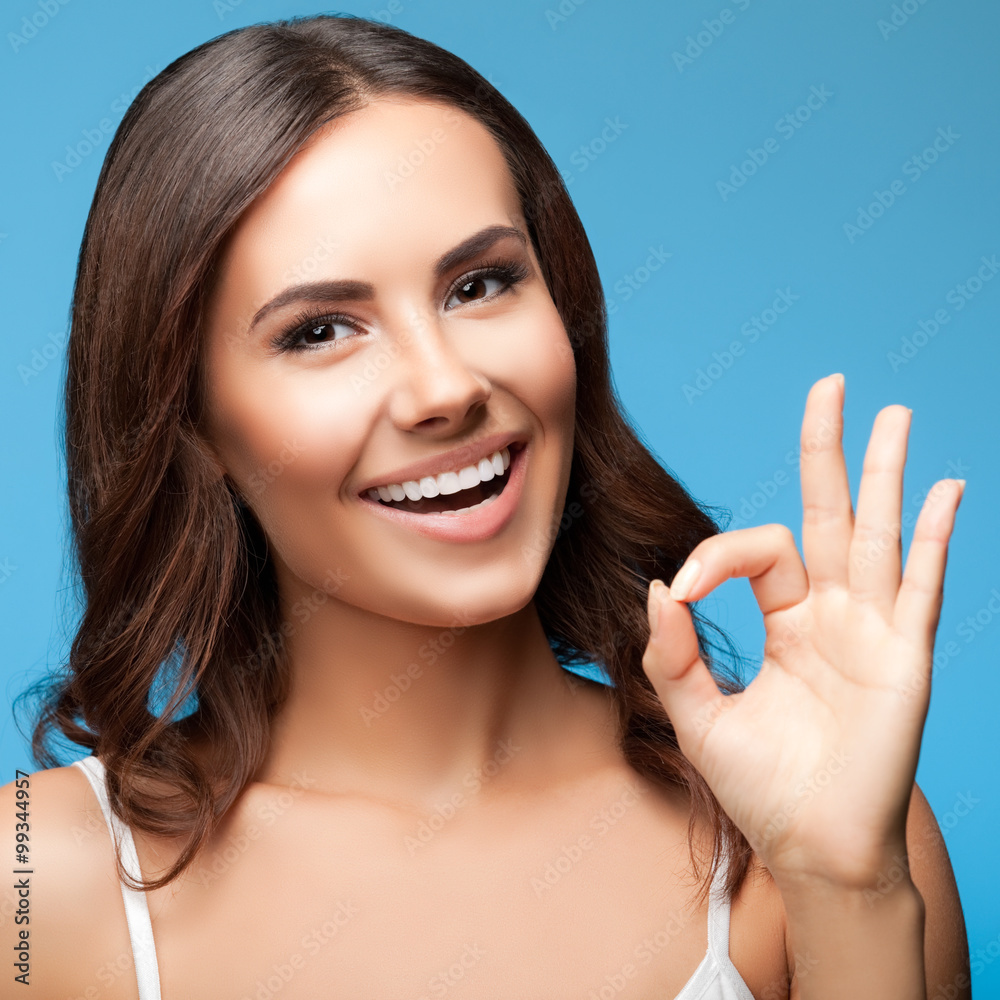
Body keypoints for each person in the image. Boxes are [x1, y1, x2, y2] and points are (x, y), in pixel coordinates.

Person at [3, 13, 969, 999]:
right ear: (194, 423)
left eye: (480, 283)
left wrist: (848, 890)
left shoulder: (804, 839)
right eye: (320, 329)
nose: (444, 386)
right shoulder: (29, 882)